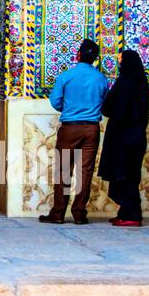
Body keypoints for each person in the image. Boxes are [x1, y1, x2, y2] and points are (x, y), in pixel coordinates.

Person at [39, 38, 109, 225]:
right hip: (92, 128)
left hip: (70, 127)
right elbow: (105, 101)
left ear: (78, 55)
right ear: (95, 58)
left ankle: (58, 213)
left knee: (63, 170)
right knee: (85, 171)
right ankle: (79, 213)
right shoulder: (101, 78)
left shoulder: (66, 76)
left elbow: (55, 102)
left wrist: (70, 109)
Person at [98, 49, 149, 227]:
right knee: (130, 174)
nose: (119, 63)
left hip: (122, 137)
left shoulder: (124, 84)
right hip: (137, 136)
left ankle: (132, 215)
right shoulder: (142, 84)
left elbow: (108, 108)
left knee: (123, 174)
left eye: (120, 60)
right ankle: (125, 212)